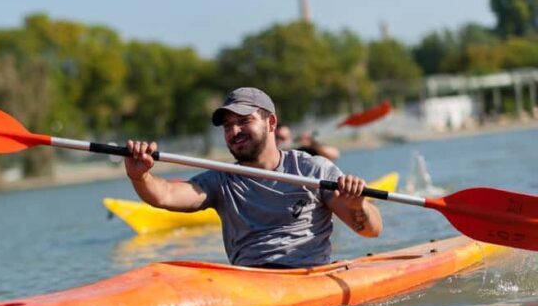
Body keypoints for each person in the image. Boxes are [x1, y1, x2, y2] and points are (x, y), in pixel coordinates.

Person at [124, 87, 382, 269]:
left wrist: (357, 205)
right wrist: (141, 176)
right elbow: (165, 195)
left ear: (271, 123)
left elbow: (371, 231)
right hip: (249, 281)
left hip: (308, 276)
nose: (234, 131)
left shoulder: (313, 170)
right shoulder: (221, 180)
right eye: (227, 126)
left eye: (244, 121)